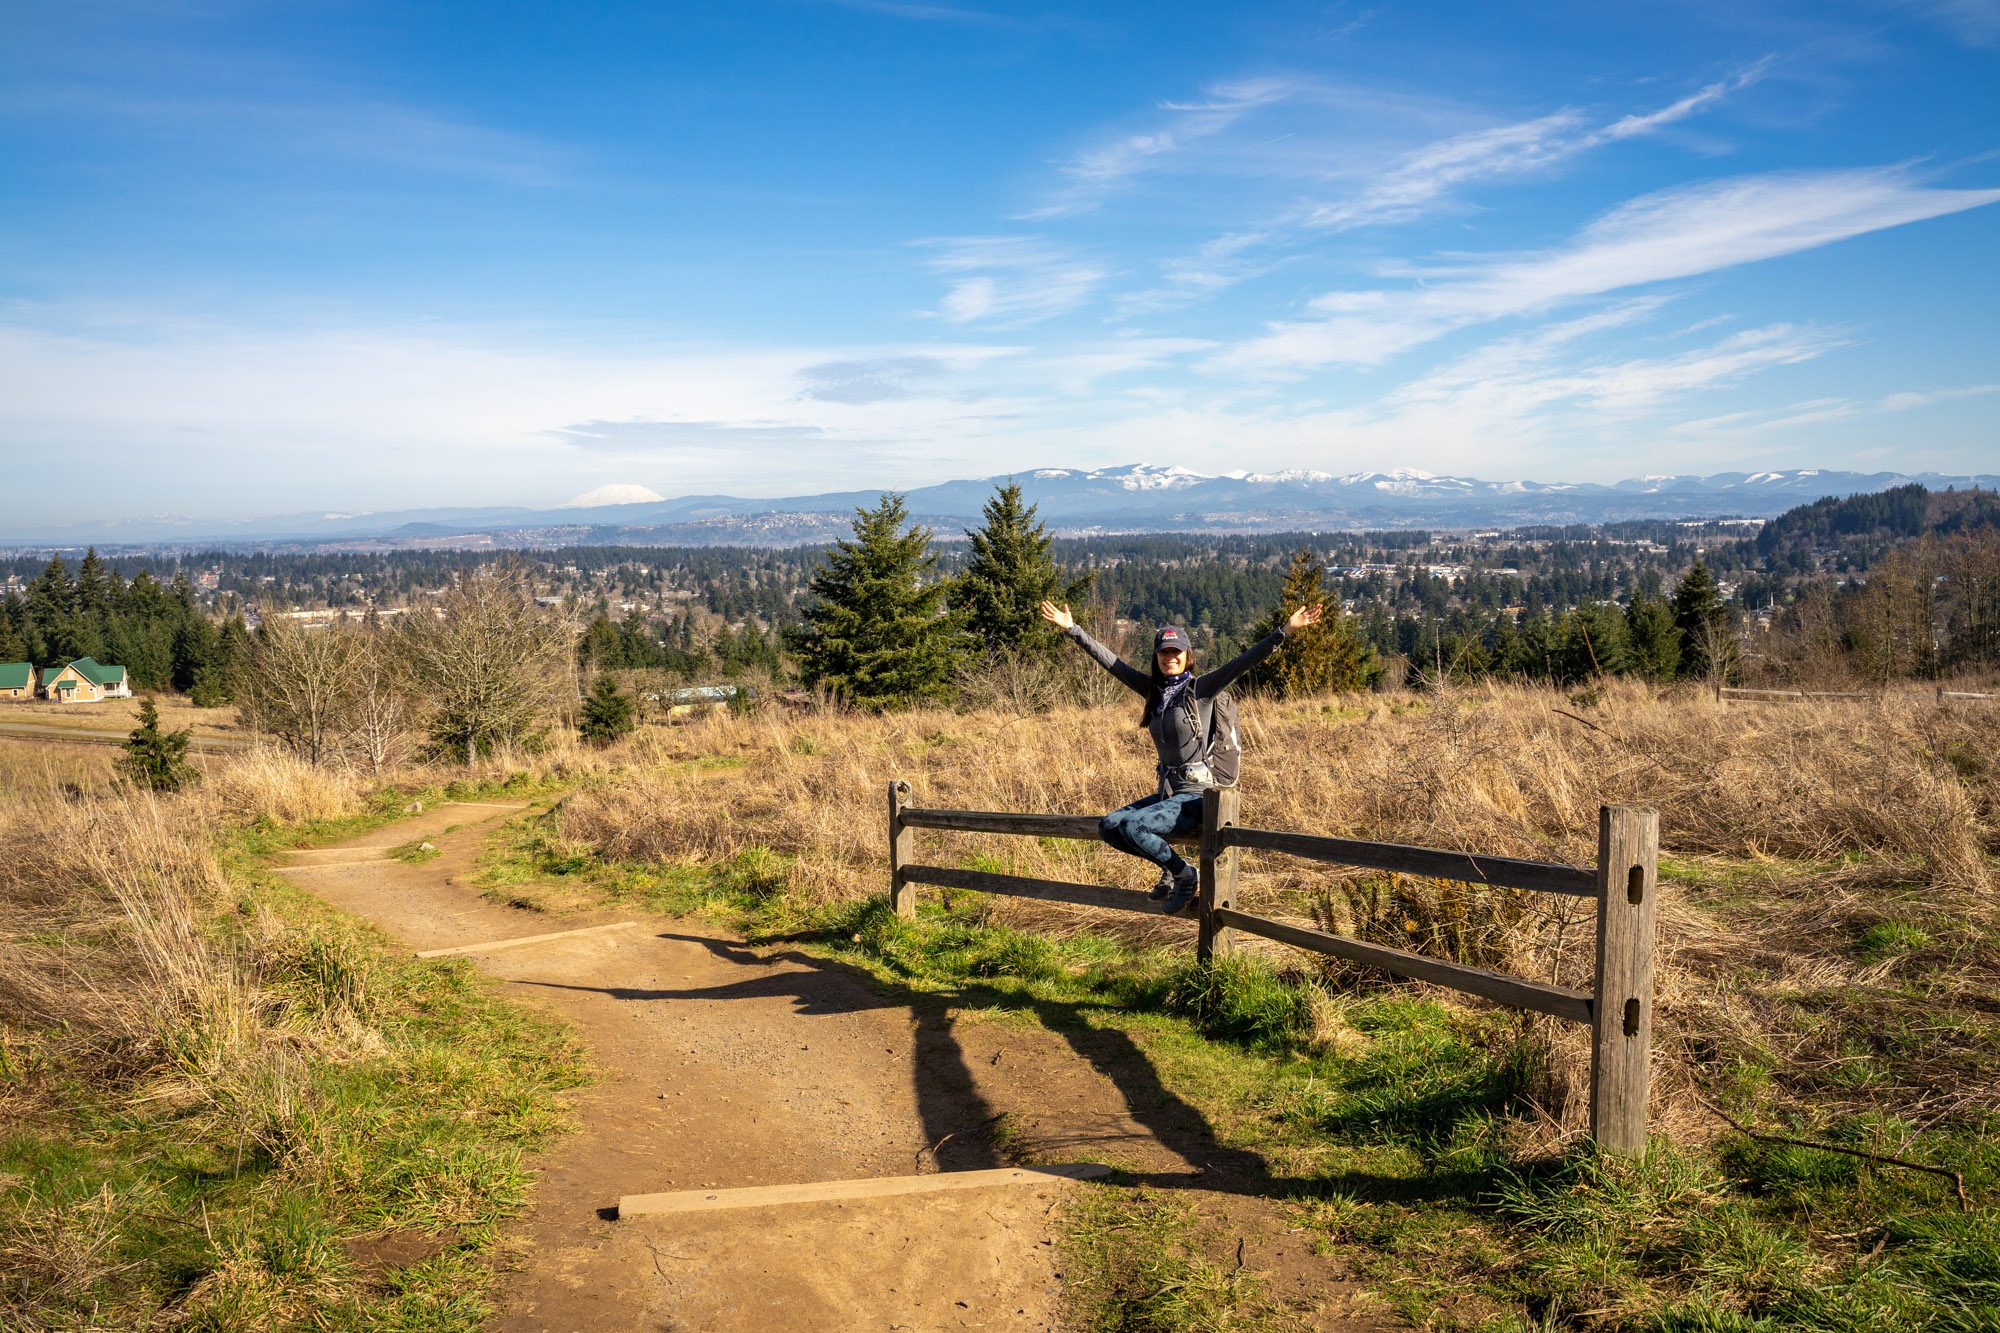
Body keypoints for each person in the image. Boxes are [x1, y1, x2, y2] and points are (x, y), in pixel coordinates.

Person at [1038, 599, 1323, 914]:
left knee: (1135, 827)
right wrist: (1072, 629)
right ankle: (1178, 869)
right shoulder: (1154, 692)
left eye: (1176, 652)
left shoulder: (1201, 689)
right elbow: (1113, 663)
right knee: (1109, 826)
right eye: (1164, 652)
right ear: (1157, 657)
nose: (1169, 657)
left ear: (1188, 656)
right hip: (1169, 792)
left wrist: (1285, 631)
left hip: (1198, 795)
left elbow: (1244, 661)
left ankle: (1183, 875)